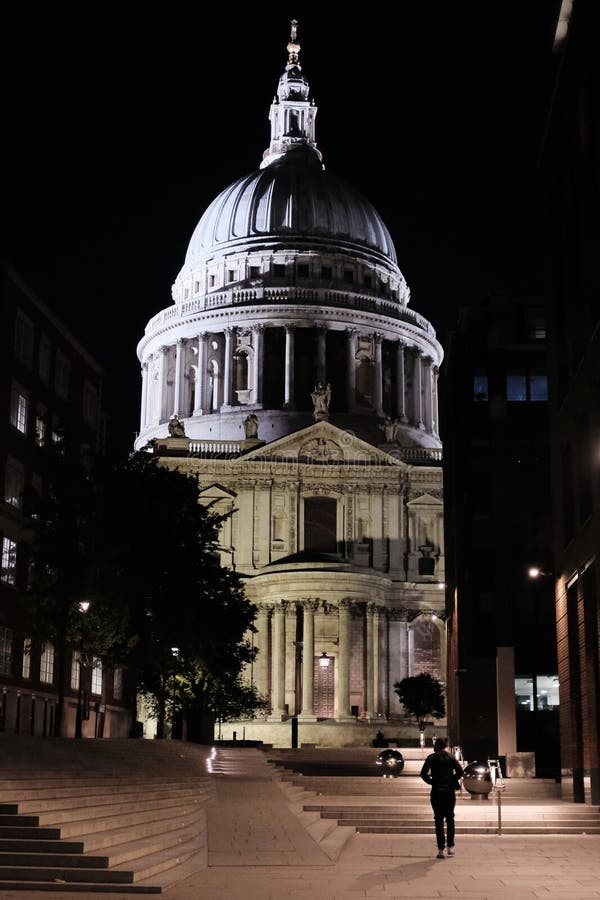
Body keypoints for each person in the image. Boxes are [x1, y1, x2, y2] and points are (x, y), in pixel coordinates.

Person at [420, 736, 464, 859]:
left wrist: (432, 782)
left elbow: (423, 774)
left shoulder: (432, 758)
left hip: (437, 792)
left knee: (438, 819)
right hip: (449, 792)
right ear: (445, 745)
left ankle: (441, 849)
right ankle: (451, 846)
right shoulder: (451, 757)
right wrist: (451, 780)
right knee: (450, 819)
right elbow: (460, 772)